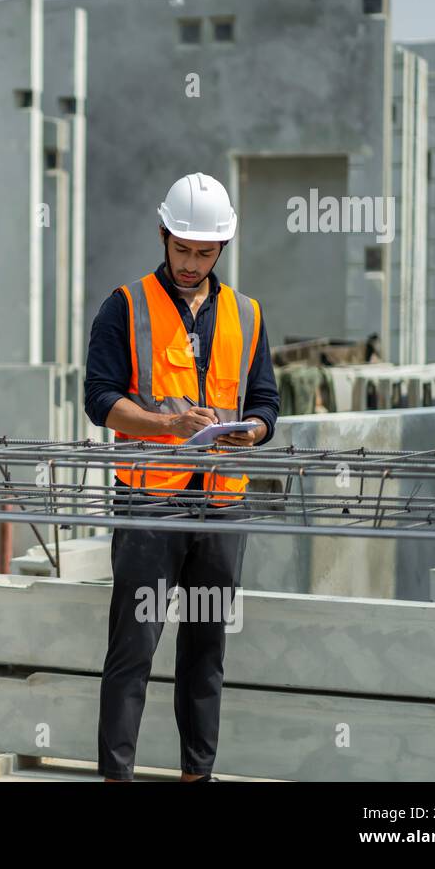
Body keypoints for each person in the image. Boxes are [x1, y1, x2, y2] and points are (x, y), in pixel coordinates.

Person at [84, 172, 280, 782]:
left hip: (221, 509)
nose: (192, 263)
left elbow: (267, 401)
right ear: (163, 235)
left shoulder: (247, 316)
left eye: (205, 252)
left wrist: (254, 430)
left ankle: (198, 774)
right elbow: (99, 399)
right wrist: (166, 428)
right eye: (182, 249)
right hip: (150, 507)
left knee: (206, 651)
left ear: (222, 247)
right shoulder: (125, 305)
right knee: (134, 651)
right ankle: (117, 776)